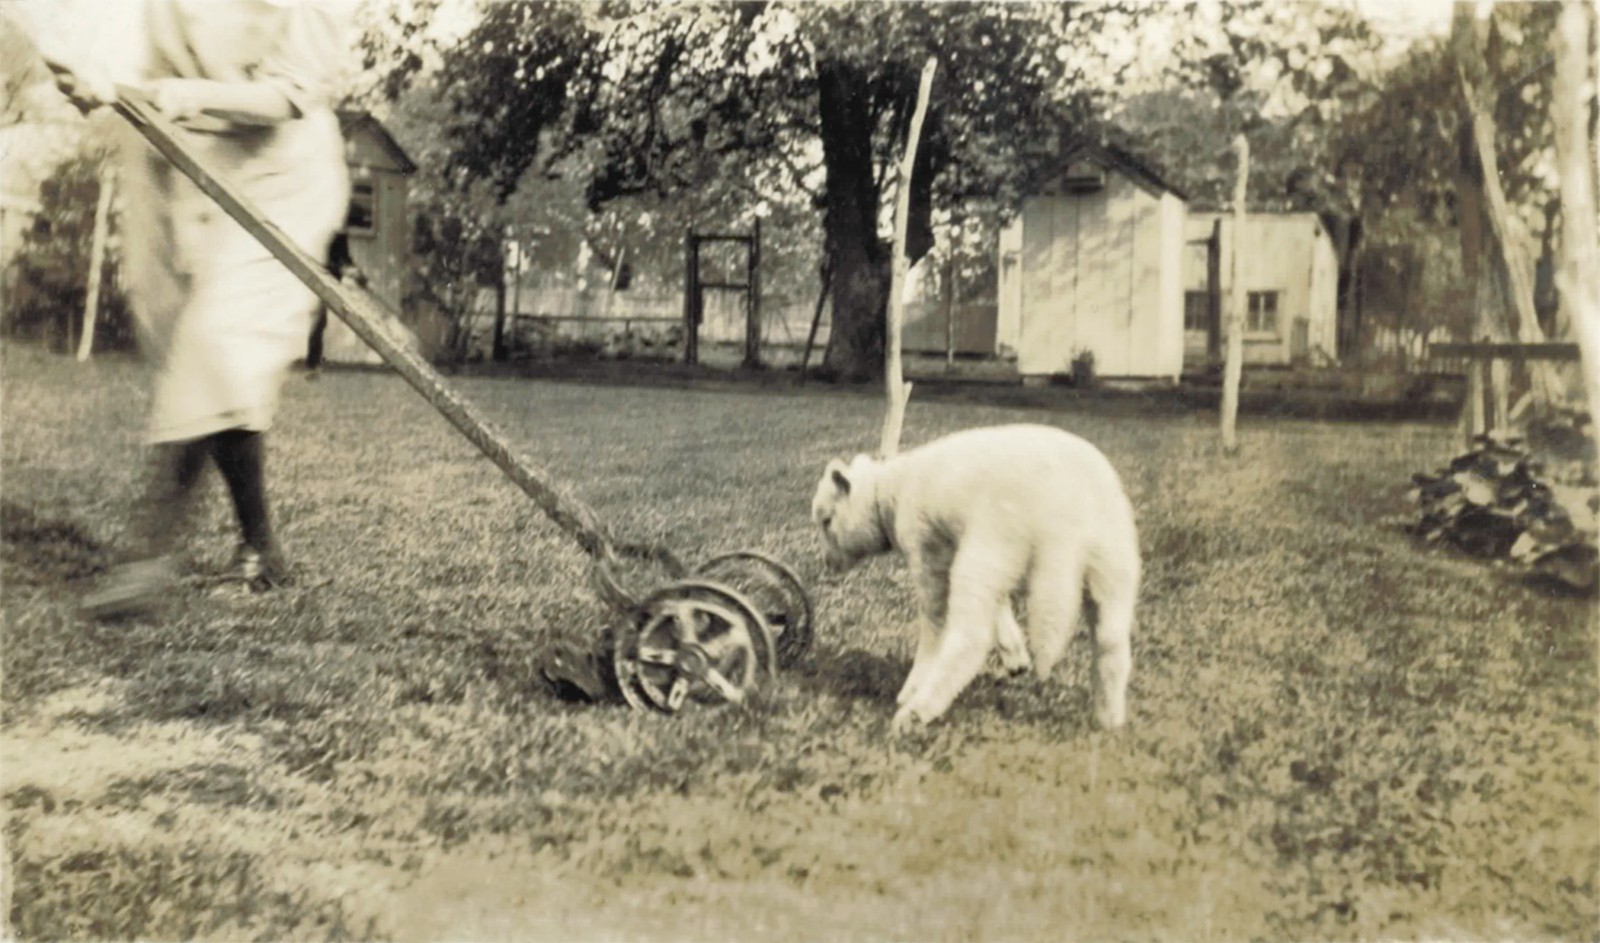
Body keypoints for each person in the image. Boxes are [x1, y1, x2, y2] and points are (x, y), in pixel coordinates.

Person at [46, 0, 352, 617]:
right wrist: (100, 88)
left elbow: (288, 99)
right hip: (193, 172)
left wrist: (169, 92)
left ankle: (147, 564)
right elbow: (145, 77)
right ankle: (262, 548)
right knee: (203, 358)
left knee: (214, 345)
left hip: (282, 182)